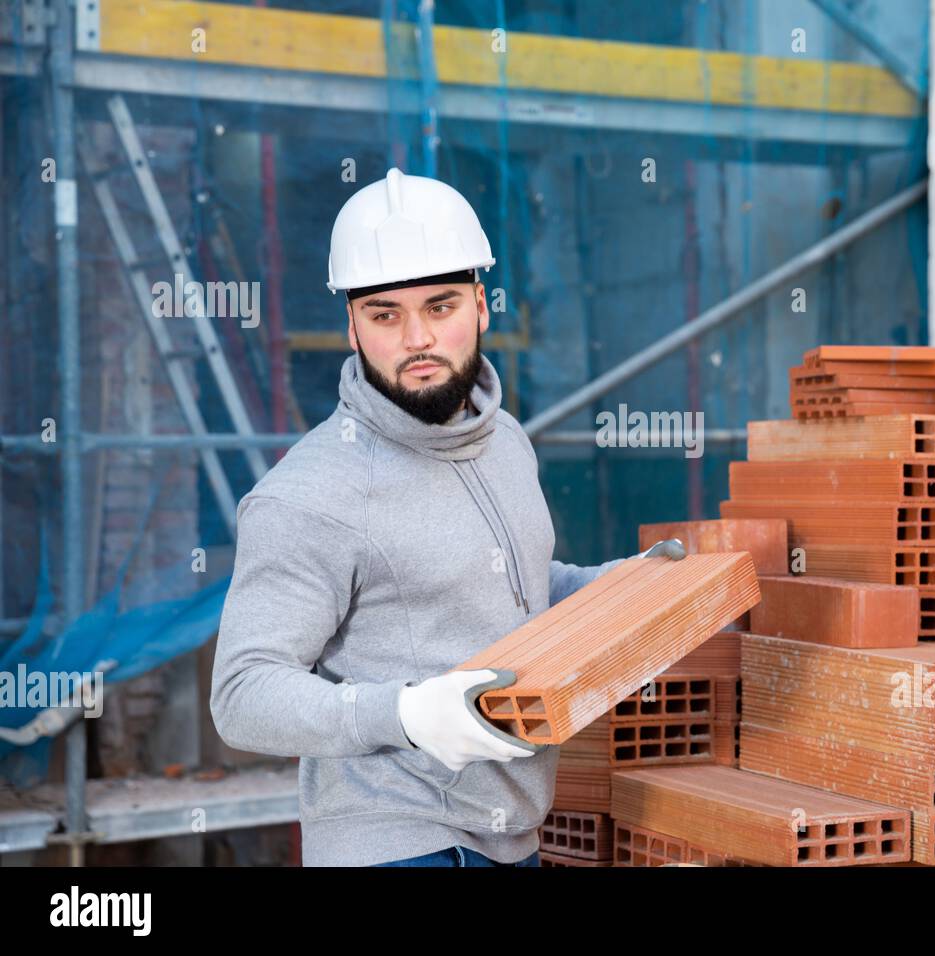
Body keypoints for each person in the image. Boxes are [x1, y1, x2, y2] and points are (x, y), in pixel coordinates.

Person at [210, 168, 681, 867]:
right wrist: (405, 714)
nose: (416, 339)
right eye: (384, 314)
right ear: (352, 326)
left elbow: (517, 586)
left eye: (440, 306)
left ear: (484, 306)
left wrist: (629, 587)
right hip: (395, 846)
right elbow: (244, 694)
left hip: (511, 836)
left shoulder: (506, 442)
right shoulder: (310, 495)